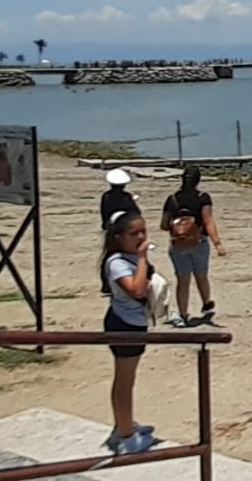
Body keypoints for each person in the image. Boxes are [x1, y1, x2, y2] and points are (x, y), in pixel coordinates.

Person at [98, 209, 159, 456]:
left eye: (143, 231)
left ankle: (123, 424)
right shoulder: (117, 262)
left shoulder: (129, 258)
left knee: (128, 379)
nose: (141, 237)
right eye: (134, 233)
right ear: (119, 237)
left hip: (135, 322)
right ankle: (125, 436)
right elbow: (136, 289)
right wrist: (143, 258)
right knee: (124, 381)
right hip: (124, 324)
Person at [160, 167, 225, 327]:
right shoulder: (203, 198)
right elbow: (208, 221)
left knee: (183, 281)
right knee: (201, 275)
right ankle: (207, 304)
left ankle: (183, 314)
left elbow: (163, 225)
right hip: (199, 242)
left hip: (178, 244)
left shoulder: (172, 199)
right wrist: (217, 243)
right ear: (198, 180)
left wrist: (179, 228)